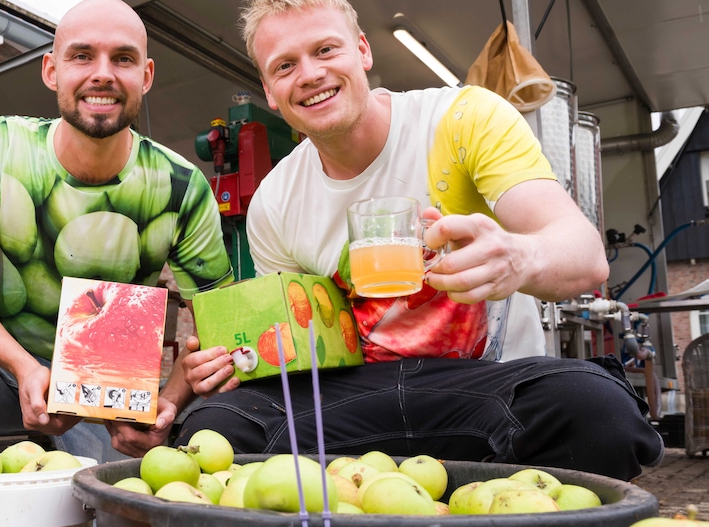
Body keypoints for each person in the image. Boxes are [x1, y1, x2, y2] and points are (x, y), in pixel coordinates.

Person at [171, 0, 664, 481]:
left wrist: (520, 256)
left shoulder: (462, 118)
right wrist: (235, 363)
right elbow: (298, 350)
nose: (310, 74)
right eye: (285, 65)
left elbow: (585, 255)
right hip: (359, 398)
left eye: (325, 50)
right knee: (215, 425)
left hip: (484, 388)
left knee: (599, 409)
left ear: (362, 50)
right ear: (270, 91)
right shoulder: (275, 199)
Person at [0, 0, 233, 461]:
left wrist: (167, 404)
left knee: (107, 519)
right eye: (82, 56)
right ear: (51, 70)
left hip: (104, 388)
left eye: (122, 58)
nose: (102, 74)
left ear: (146, 75)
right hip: (2, 368)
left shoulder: (181, 185)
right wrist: (22, 367)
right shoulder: (6, 145)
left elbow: (221, 326)